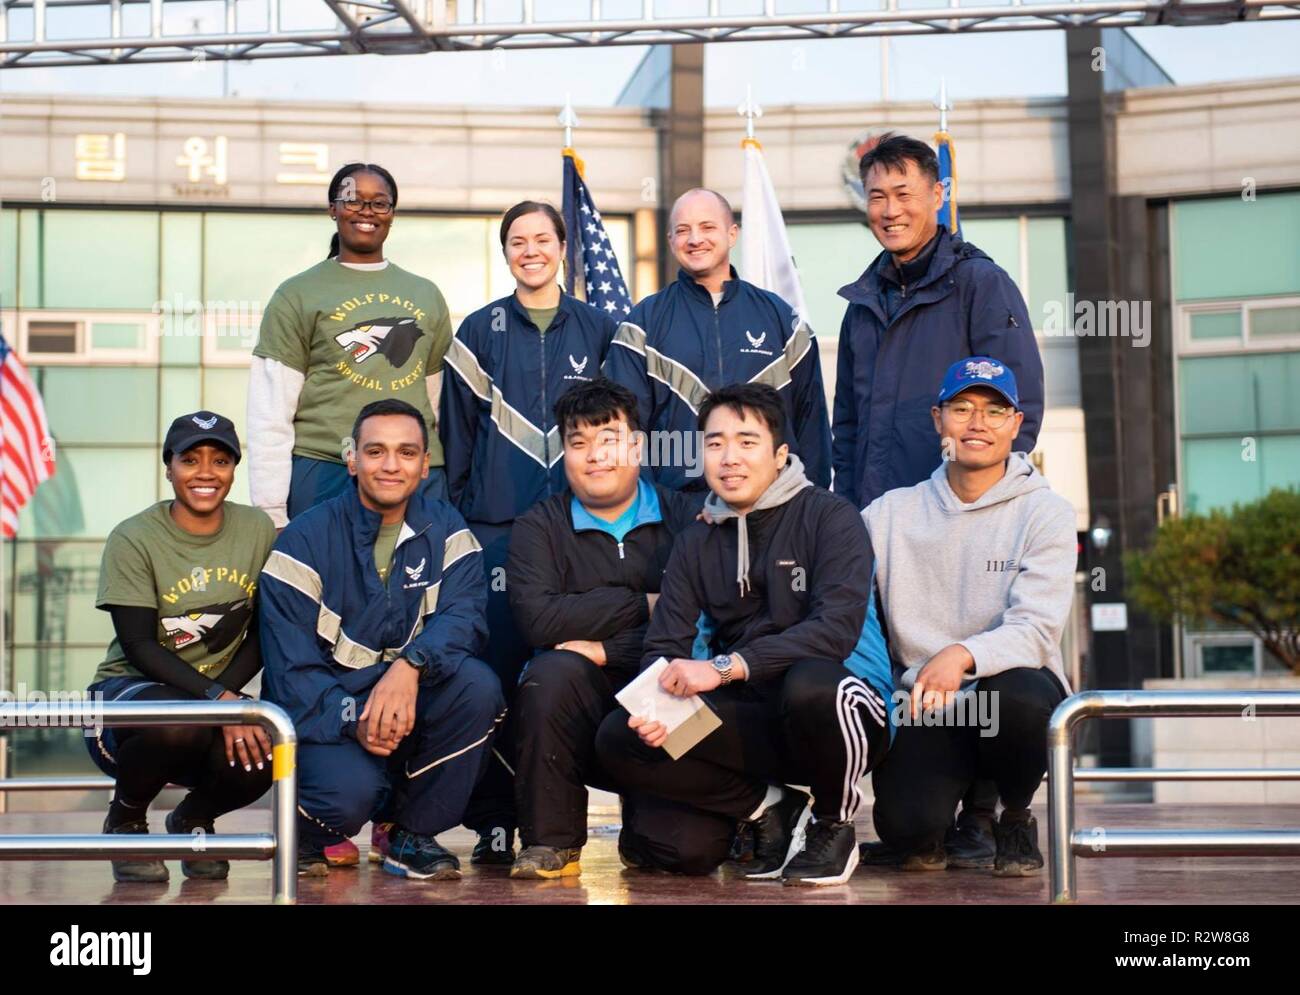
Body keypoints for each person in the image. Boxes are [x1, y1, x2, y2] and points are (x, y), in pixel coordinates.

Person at [833, 132, 1045, 864]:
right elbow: (847, 424)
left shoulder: (980, 284)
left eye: (905, 193)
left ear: (938, 196)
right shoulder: (860, 303)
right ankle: (930, 793)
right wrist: (848, 506)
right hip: (887, 519)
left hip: (968, 513)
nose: (890, 210)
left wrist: (980, 498)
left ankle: (993, 808)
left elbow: (1022, 402)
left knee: (991, 662)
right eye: (877, 196)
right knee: (906, 822)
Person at [595, 383, 891, 885]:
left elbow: (834, 634)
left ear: (780, 455)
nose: (729, 458)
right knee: (619, 739)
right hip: (754, 715)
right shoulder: (697, 540)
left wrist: (721, 668)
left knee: (811, 684)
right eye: (715, 443)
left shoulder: (830, 517)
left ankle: (833, 824)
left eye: (747, 442)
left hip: (844, 709)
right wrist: (659, 707)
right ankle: (772, 806)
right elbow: (664, 646)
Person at [439, 200, 622, 864]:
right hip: (496, 531)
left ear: (564, 247)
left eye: (542, 238)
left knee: (554, 676)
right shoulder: (478, 330)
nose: (530, 249)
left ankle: (553, 826)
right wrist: (466, 520)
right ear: (506, 252)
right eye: (517, 240)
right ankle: (492, 822)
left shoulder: (602, 328)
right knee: (490, 678)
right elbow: (455, 439)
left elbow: (619, 430)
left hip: (579, 530)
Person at [259, 398, 503, 880]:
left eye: (407, 452)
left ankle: (409, 832)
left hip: (409, 695)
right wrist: (355, 720)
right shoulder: (304, 539)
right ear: (351, 458)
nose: (391, 465)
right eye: (376, 451)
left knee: (478, 686)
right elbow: (291, 673)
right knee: (346, 798)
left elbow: (466, 617)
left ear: (424, 462)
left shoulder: (448, 528)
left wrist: (410, 667)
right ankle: (311, 829)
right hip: (328, 715)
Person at [864, 356, 1075, 876]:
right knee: (909, 836)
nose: (977, 423)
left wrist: (961, 655)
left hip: (1008, 694)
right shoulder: (887, 514)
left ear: (1016, 425)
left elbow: (1037, 628)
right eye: (962, 408)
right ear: (938, 420)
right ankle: (950, 816)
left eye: (994, 411)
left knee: (1021, 697)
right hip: (925, 704)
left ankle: (1010, 814)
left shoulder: (1045, 512)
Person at [505, 379, 699, 879]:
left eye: (609, 438)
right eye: (578, 442)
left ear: (637, 445)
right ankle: (551, 843)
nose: (595, 456)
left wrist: (608, 648)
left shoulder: (685, 517)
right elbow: (539, 620)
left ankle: (687, 819)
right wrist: (647, 602)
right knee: (550, 671)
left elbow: (702, 620)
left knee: (685, 853)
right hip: (581, 704)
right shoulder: (538, 527)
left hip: (669, 690)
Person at [86, 411, 276, 883]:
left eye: (220, 459)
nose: (206, 472)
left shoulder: (258, 531)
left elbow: (264, 634)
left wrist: (228, 706)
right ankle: (126, 820)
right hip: (126, 699)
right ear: (168, 467)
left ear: (235, 468)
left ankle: (193, 820)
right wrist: (220, 702)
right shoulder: (134, 537)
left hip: (208, 700)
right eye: (190, 459)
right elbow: (137, 645)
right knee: (181, 720)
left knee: (266, 747)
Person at [248, 161, 454, 528]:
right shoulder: (296, 294)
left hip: (415, 473)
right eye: (353, 200)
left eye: (380, 203)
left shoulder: (426, 295)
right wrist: (272, 512)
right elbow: (270, 412)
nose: (366, 212)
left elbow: (437, 401)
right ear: (333, 209)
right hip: (324, 468)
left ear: (392, 213)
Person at [603, 188, 831, 493]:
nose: (695, 239)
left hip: (774, 508)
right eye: (683, 230)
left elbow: (811, 422)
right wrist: (652, 510)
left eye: (707, 227)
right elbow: (621, 429)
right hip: (677, 512)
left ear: (732, 233)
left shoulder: (780, 318)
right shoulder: (642, 323)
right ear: (670, 240)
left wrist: (807, 505)